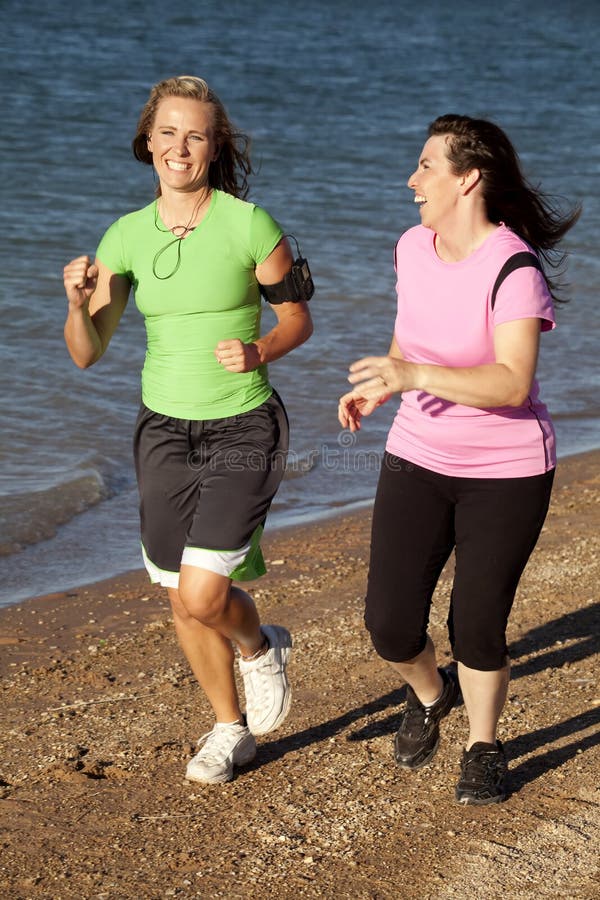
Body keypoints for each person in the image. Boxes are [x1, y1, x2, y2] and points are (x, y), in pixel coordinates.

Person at [63, 75, 313, 785]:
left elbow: (297, 317)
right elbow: (86, 353)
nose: (180, 146)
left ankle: (259, 646)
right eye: (167, 132)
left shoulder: (250, 224)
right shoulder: (125, 237)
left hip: (244, 422)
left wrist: (261, 348)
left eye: (195, 134)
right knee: (179, 592)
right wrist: (79, 306)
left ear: (214, 146)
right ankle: (229, 730)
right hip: (163, 430)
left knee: (206, 595)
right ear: (148, 141)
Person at [338, 114, 580, 805]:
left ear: (466, 178)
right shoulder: (412, 246)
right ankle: (429, 691)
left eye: (425, 167)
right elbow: (410, 337)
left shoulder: (514, 268)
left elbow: (510, 382)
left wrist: (412, 376)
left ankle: (483, 744)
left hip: (507, 472)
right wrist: (383, 383)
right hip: (417, 454)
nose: (412, 181)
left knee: (476, 624)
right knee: (388, 623)